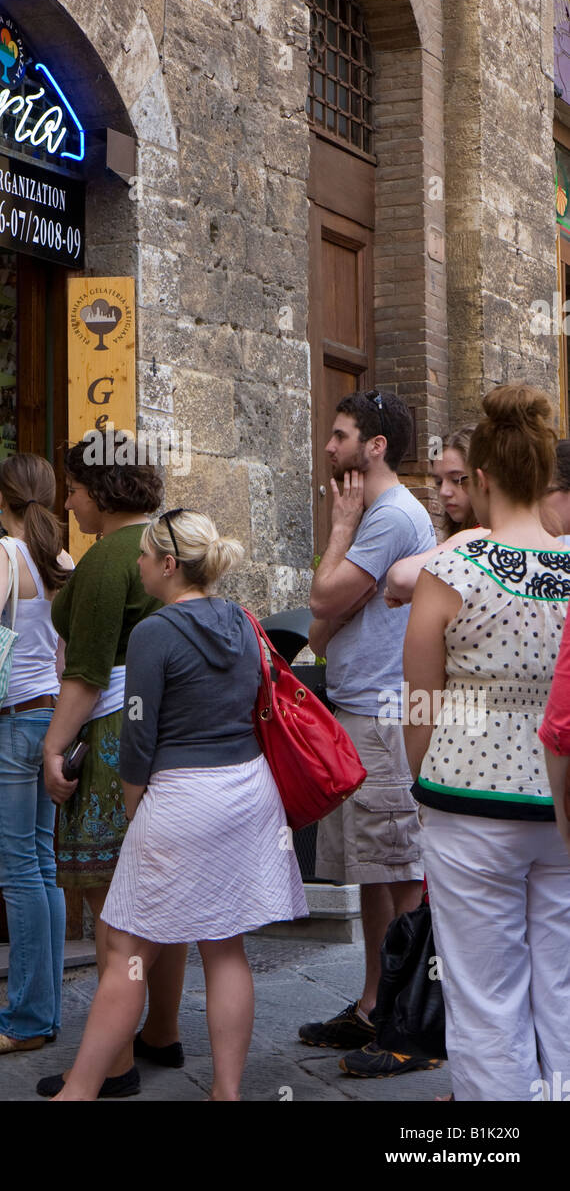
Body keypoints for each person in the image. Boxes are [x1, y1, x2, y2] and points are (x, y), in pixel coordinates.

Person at [51, 510, 308, 1101]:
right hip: (247, 790)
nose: (137, 563)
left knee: (123, 947)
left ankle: (80, 1091)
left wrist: (137, 802)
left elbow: (139, 736)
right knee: (225, 947)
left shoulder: (153, 633)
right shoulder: (242, 620)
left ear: (169, 564)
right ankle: (227, 1091)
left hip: (183, 793)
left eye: (144, 555)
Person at [403, 384, 570, 1100]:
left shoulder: (449, 573)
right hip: (562, 799)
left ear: (481, 479)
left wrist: (422, 784)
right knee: (561, 986)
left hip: (466, 794)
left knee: (482, 994)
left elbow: (420, 703)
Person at [38, 435, 188, 1098]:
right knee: (164, 903)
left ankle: (116, 1062)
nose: (67, 500)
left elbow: (86, 673)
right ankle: (163, 1033)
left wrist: (51, 748)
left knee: (113, 909)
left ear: (98, 490)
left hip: (110, 743)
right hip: (172, 739)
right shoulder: (169, 543)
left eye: (72, 488)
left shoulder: (106, 561)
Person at [301, 389, 435, 1077]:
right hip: (359, 711)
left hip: (383, 717)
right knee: (372, 873)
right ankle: (372, 1006)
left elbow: (323, 599)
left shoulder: (384, 516)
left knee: (401, 871)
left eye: (341, 434)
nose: (329, 446)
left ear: (374, 447)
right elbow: (322, 627)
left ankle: (409, 1022)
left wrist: (341, 527)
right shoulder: (377, 516)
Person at [0, 454, 74, 1054]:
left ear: (1, 497)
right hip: (51, 720)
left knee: (19, 873)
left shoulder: (5, 553)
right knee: (43, 868)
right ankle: (43, 1011)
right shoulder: (61, 560)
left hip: (9, 724)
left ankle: (25, 1018)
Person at [384, 425, 479, 607]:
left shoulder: (482, 533)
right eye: (438, 481)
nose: (444, 491)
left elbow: (401, 578)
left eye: (456, 479)